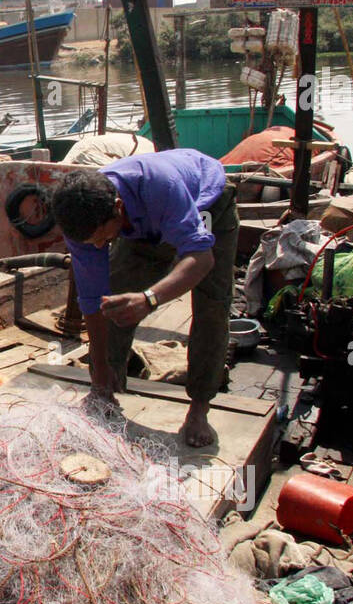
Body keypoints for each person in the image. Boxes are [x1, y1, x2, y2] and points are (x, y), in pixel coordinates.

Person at [50, 149, 238, 448]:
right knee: (114, 298)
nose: (98, 246)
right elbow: (92, 300)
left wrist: (149, 299)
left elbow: (201, 260)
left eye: (102, 238)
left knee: (212, 306)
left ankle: (200, 407)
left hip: (207, 205)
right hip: (140, 225)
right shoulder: (83, 224)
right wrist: (99, 368)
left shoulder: (161, 187)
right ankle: (106, 387)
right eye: (92, 242)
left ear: (118, 208)